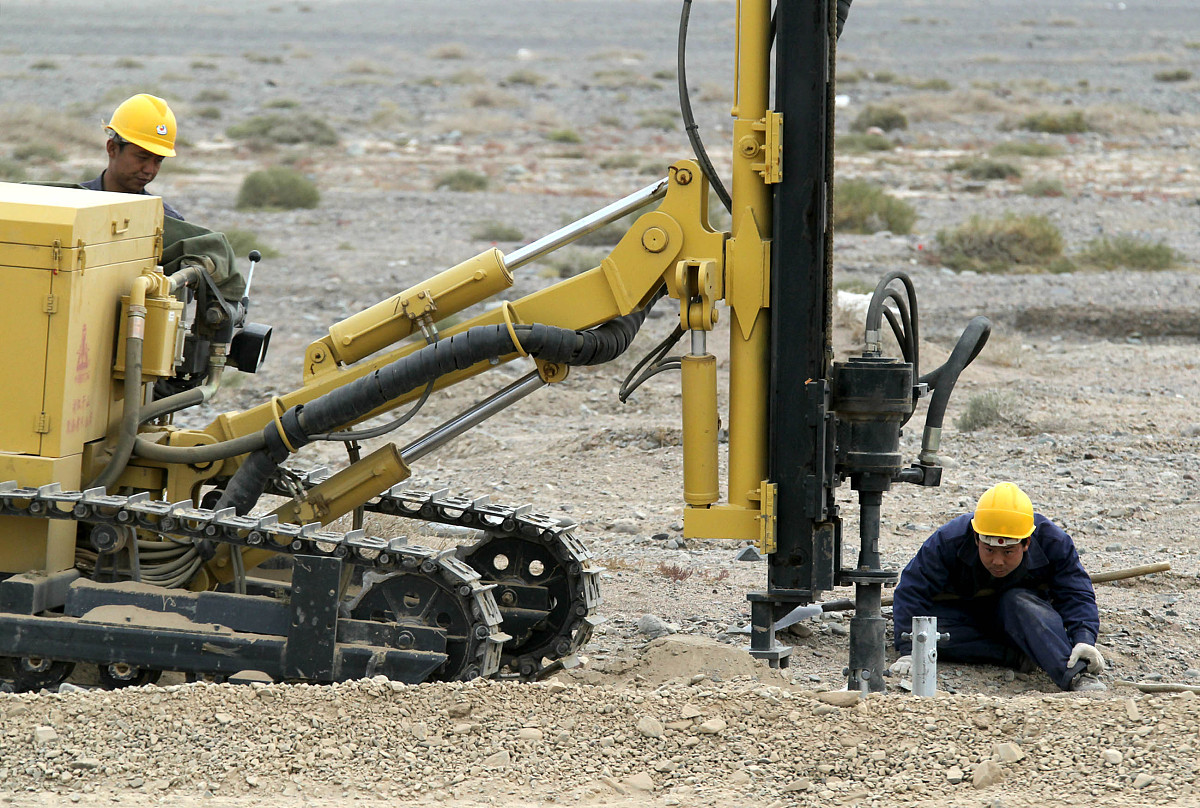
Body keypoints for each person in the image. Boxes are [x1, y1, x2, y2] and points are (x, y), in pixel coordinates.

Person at [890, 482, 1106, 692]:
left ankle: (1077, 674)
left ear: (1026, 543)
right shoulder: (948, 540)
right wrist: (912, 650)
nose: (998, 561)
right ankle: (1016, 655)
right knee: (930, 634)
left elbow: (1076, 593)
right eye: (990, 550)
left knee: (1020, 602)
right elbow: (911, 591)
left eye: (1008, 552)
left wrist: (1084, 638)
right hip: (964, 616)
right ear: (976, 539)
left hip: (1021, 614)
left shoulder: (1053, 542)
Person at [82, 93, 185, 221]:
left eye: (158, 161)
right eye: (142, 157)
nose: (149, 170)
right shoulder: (67, 206)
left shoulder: (166, 222)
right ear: (112, 148)